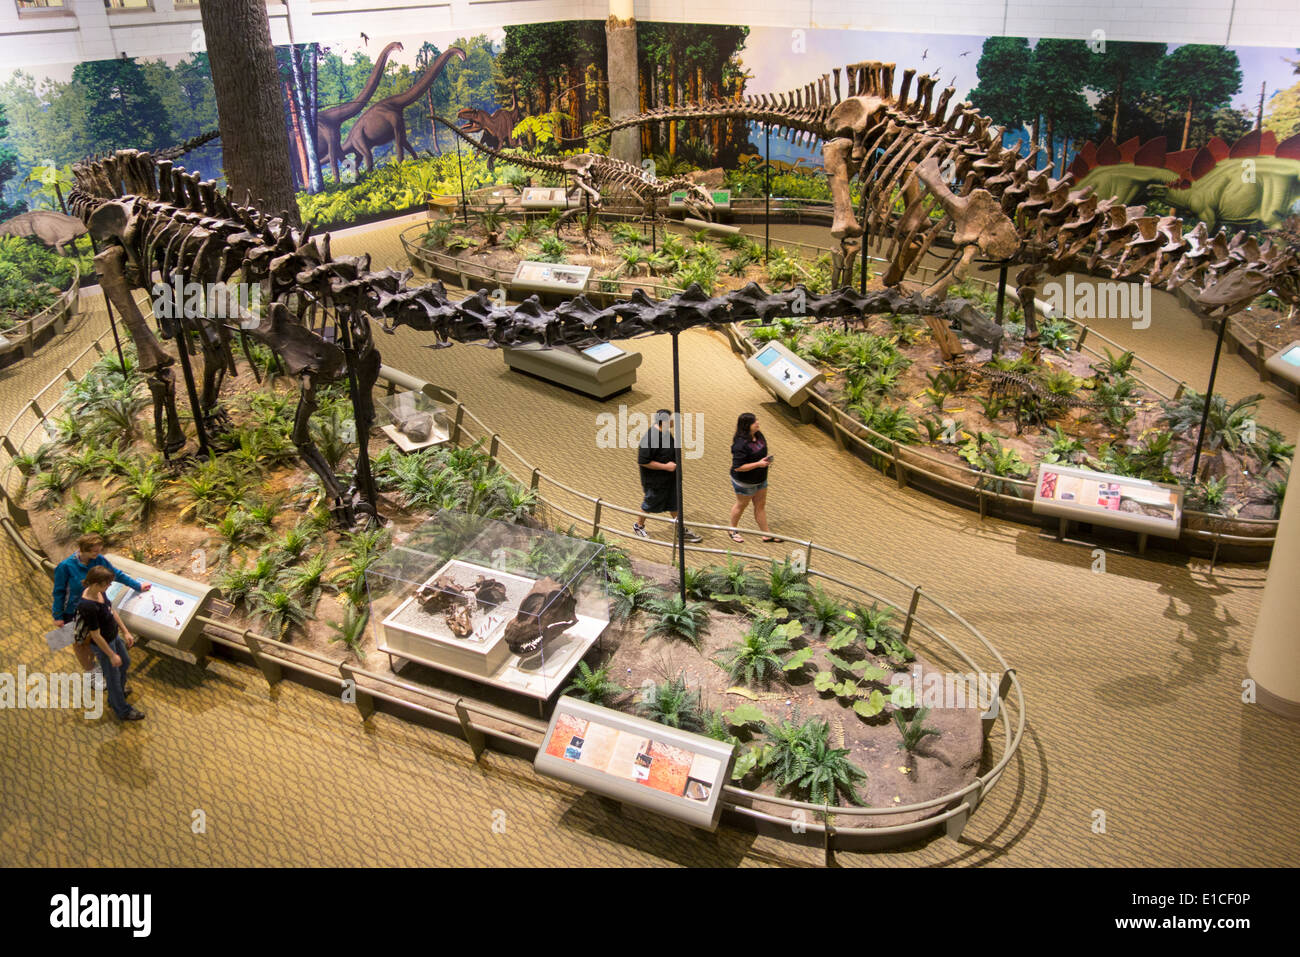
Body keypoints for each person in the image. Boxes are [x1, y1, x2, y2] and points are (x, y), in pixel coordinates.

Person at [77, 565, 144, 721]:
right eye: (107, 583)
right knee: (112, 676)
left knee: (125, 663)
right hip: (104, 645)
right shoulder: (88, 605)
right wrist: (111, 654)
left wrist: (125, 631)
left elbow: (111, 611)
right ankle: (122, 710)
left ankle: (116, 695)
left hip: (114, 637)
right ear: (95, 584)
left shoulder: (100, 592)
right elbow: (96, 635)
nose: (109, 586)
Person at [633, 409, 702, 543]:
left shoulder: (664, 432)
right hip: (656, 482)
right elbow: (643, 461)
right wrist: (665, 467)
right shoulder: (651, 438)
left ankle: (680, 529)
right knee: (649, 504)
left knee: (673, 504)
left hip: (669, 479)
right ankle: (638, 525)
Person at [52, 533, 149, 627]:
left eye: (99, 550)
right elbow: (58, 592)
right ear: (83, 550)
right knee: (77, 639)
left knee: (100, 635)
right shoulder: (65, 566)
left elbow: (116, 574)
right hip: (74, 611)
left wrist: (137, 586)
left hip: (98, 605)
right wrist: (58, 616)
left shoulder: (99, 559)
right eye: (95, 551)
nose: (98, 554)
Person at [728, 412, 779, 544]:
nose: (757, 423)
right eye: (754, 422)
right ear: (746, 425)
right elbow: (738, 467)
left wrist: (765, 461)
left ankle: (766, 533)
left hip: (760, 478)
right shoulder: (740, 444)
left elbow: (761, 451)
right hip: (745, 482)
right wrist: (758, 464)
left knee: (760, 505)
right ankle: (732, 529)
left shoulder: (758, 435)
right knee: (741, 505)